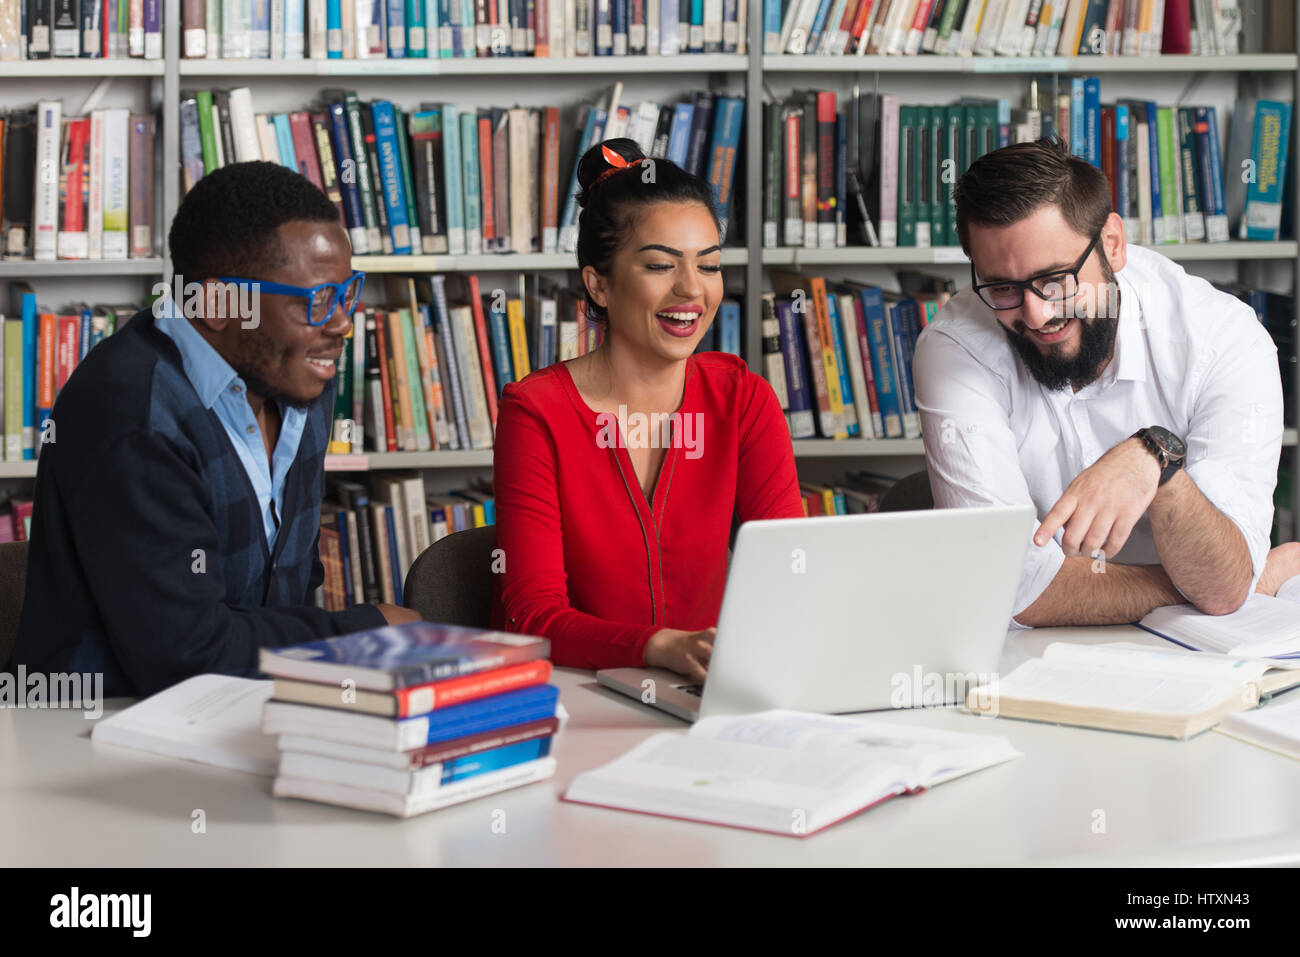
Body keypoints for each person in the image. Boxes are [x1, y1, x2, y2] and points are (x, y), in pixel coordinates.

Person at [7, 161, 420, 697]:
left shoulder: (298, 380)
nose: (342, 323)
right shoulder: (131, 409)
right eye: (316, 302)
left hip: (244, 708)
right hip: (91, 727)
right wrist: (365, 631)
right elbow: (183, 654)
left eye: (347, 293)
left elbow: (293, 586)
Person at [913, 136, 1300, 628]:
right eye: (1003, 287)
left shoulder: (1224, 340)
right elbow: (1008, 587)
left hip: (1197, 662)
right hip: (1027, 662)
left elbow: (1222, 583)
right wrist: (1249, 584)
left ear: (1112, 245)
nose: (1036, 313)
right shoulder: (955, 347)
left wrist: (1157, 467)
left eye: (1054, 278)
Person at [491, 139, 803, 681]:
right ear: (599, 285)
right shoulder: (536, 412)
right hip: (579, 696)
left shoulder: (742, 398)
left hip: (709, 691)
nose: (692, 290)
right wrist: (658, 646)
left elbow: (792, 570)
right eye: (661, 265)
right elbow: (533, 617)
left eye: (708, 266)